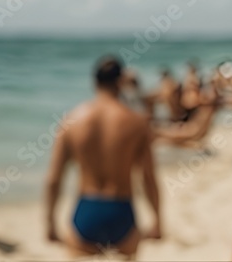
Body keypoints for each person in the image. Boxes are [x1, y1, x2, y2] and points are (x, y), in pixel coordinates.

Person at [45, 55, 162, 259]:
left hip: (87, 210)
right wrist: (158, 220)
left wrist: (50, 223)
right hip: (122, 210)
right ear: (121, 82)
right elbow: (148, 177)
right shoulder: (136, 122)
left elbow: (54, 179)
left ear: (94, 82)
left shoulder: (71, 120)